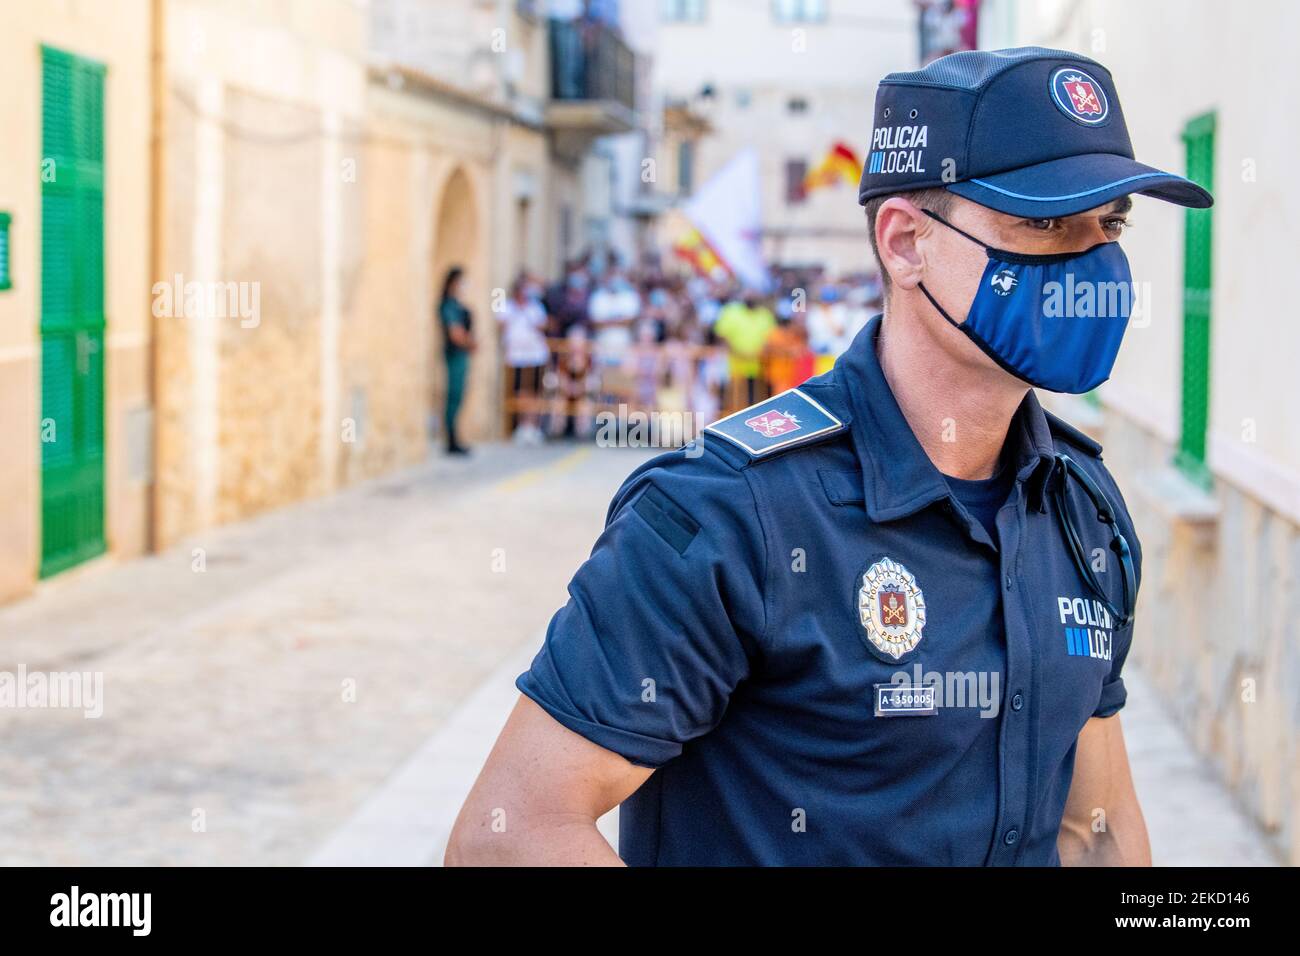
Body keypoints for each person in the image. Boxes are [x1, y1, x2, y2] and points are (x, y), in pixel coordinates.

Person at [446, 47, 1213, 866]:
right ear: (906, 243)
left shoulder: (1081, 508)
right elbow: (512, 832)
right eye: (1047, 222)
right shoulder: (727, 513)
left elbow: (1092, 829)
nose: (1095, 263)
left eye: (1111, 225)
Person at [499, 276, 550, 444]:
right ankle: (522, 426)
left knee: (534, 392)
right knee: (520, 392)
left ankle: (533, 426)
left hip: (535, 355)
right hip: (516, 356)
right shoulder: (507, 307)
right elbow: (501, 323)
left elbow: (544, 324)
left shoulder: (535, 307)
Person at [713, 288, 776, 410]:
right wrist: (738, 352)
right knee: (730, 401)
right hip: (732, 366)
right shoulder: (731, 312)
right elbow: (722, 335)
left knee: (754, 403)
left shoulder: (765, 315)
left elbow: (771, 339)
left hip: (758, 368)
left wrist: (759, 352)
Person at [438, 265, 475, 455]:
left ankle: (455, 437)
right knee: (453, 396)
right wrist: (470, 343)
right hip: (455, 355)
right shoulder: (448, 306)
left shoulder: (456, 305)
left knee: (458, 396)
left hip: (461, 355)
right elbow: (455, 333)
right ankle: (451, 440)